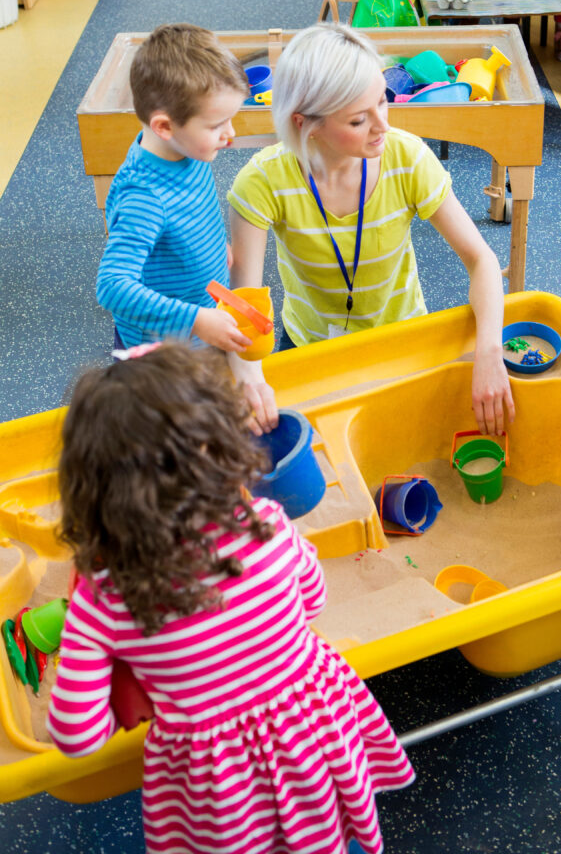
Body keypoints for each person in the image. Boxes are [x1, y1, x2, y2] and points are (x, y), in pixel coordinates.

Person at [47, 343, 415, 854]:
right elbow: (312, 601)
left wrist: (140, 680)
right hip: (311, 739)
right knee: (322, 833)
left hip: (218, 788)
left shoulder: (104, 598)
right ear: (222, 446)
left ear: (90, 488)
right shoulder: (266, 525)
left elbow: (77, 734)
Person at [227, 23, 514, 437]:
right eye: (360, 120)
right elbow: (243, 307)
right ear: (307, 123)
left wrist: (489, 351)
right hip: (312, 348)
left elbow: (482, 260)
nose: (382, 125)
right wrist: (248, 376)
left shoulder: (406, 156)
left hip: (403, 342)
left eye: (383, 100)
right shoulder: (261, 182)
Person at [96, 24, 252, 354]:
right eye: (216, 125)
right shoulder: (144, 196)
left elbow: (188, 213)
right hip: (162, 352)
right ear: (164, 126)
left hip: (201, 325)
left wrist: (211, 247)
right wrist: (195, 319)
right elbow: (112, 287)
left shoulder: (186, 150)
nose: (231, 134)